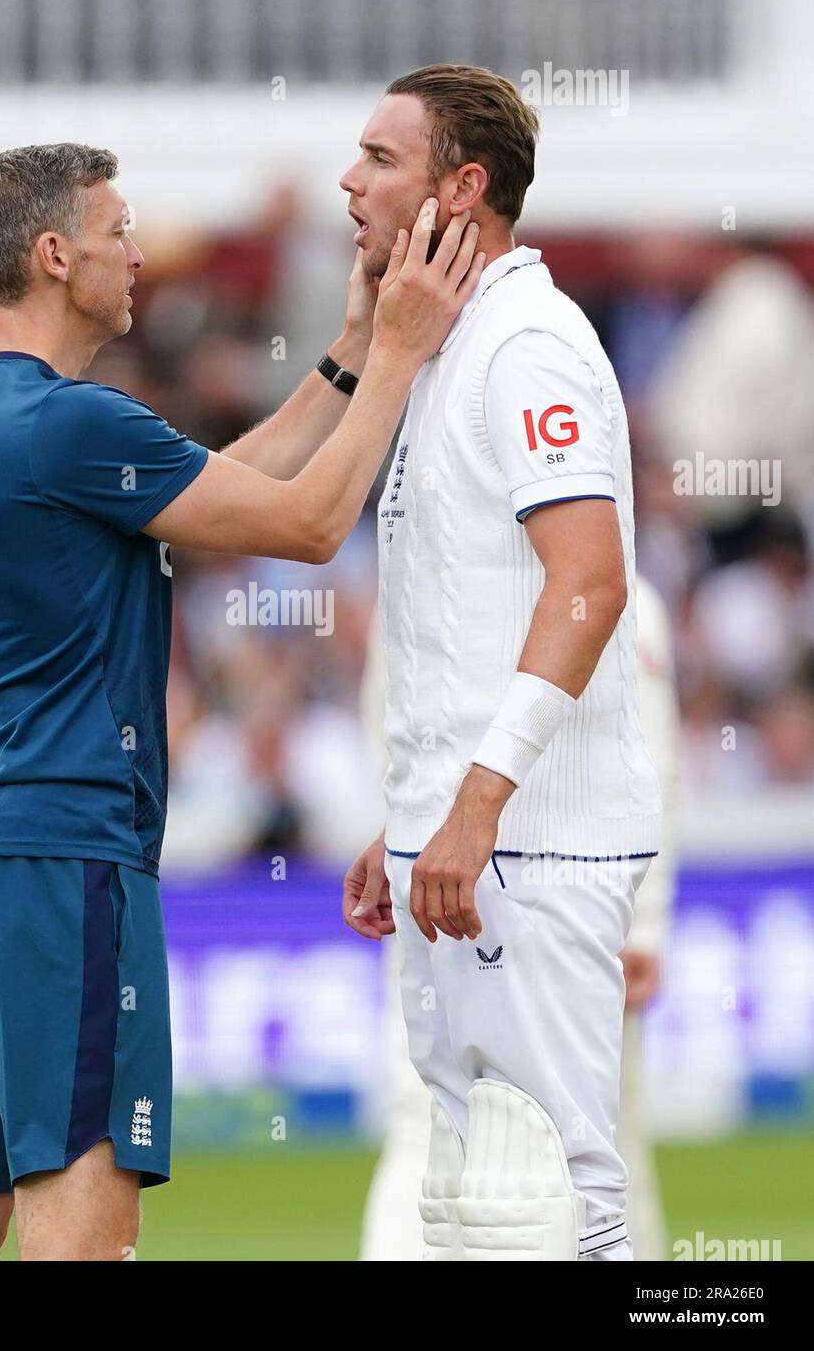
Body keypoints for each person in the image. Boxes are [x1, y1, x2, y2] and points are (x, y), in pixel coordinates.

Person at [0, 141, 484, 1261]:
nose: (140, 253)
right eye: (119, 232)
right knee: (86, 1229)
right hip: (61, 855)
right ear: (57, 255)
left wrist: (351, 349)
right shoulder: (74, 422)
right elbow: (305, 524)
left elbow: (227, 491)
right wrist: (403, 350)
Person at [341, 66, 661, 1262]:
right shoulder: (452, 344)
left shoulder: (528, 344)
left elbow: (590, 581)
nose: (348, 179)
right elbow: (467, 611)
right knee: (473, 1212)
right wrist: (419, 809)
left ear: (462, 188)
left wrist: (474, 801)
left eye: (379, 158)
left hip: (531, 846)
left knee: (553, 1209)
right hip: (474, 844)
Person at [357, 575, 679, 1261]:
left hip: (539, 891)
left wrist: (643, 919)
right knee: (445, 1117)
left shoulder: (609, 588)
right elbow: (387, 727)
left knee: (559, 1131)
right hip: (469, 885)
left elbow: (648, 755)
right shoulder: (424, 568)